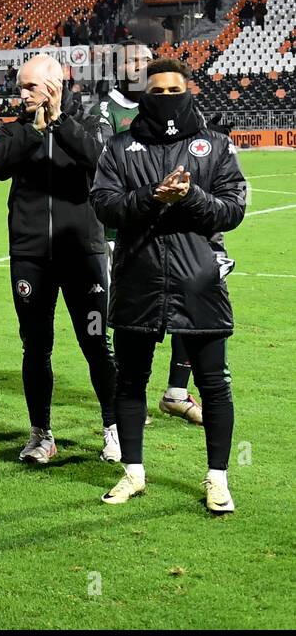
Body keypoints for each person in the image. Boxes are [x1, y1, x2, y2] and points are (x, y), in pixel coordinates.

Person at [91, 58, 246, 513]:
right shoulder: (119, 147)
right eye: (155, 92)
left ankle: (218, 478)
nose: (165, 98)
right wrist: (151, 197)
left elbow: (232, 210)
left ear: (188, 90)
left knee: (214, 383)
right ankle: (133, 473)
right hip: (138, 277)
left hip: (198, 278)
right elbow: (104, 205)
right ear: (144, 96)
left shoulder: (214, 146)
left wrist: (191, 196)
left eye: (172, 89)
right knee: (131, 381)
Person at [0, 54, 116, 464]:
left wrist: (59, 123)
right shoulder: (15, 130)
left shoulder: (92, 122)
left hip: (83, 255)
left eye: (29, 87)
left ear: (56, 86)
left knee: (96, 345)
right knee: (35, 347)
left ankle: (114, 428)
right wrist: (37, 132)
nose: (20, 94)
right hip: (31, 257)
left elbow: (102, 160)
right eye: (20, 86)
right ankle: (41, 434)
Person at [90, 43, 204, 441]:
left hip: (179, 231)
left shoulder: (179, 106)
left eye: (144, 60)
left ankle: (176, 390)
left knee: (193, 306)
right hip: (123, 234)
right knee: (129, 320)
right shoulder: (108, 110)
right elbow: (103, 163)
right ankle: (127, 400)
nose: (139, 67)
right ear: (120, 69)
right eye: (131, 62)